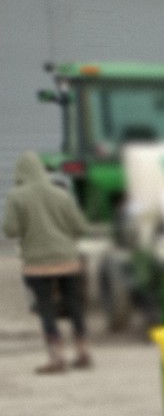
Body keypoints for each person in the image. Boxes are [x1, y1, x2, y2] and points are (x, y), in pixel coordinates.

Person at [2, 151, 93, 373]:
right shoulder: (61, 194)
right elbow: (81, 227)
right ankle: (82, 351)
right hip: (68, 261)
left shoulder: (16, 196)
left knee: (46, 308)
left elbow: (10, 229)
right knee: (74, 304)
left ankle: (56, 356)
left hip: (37, 264)